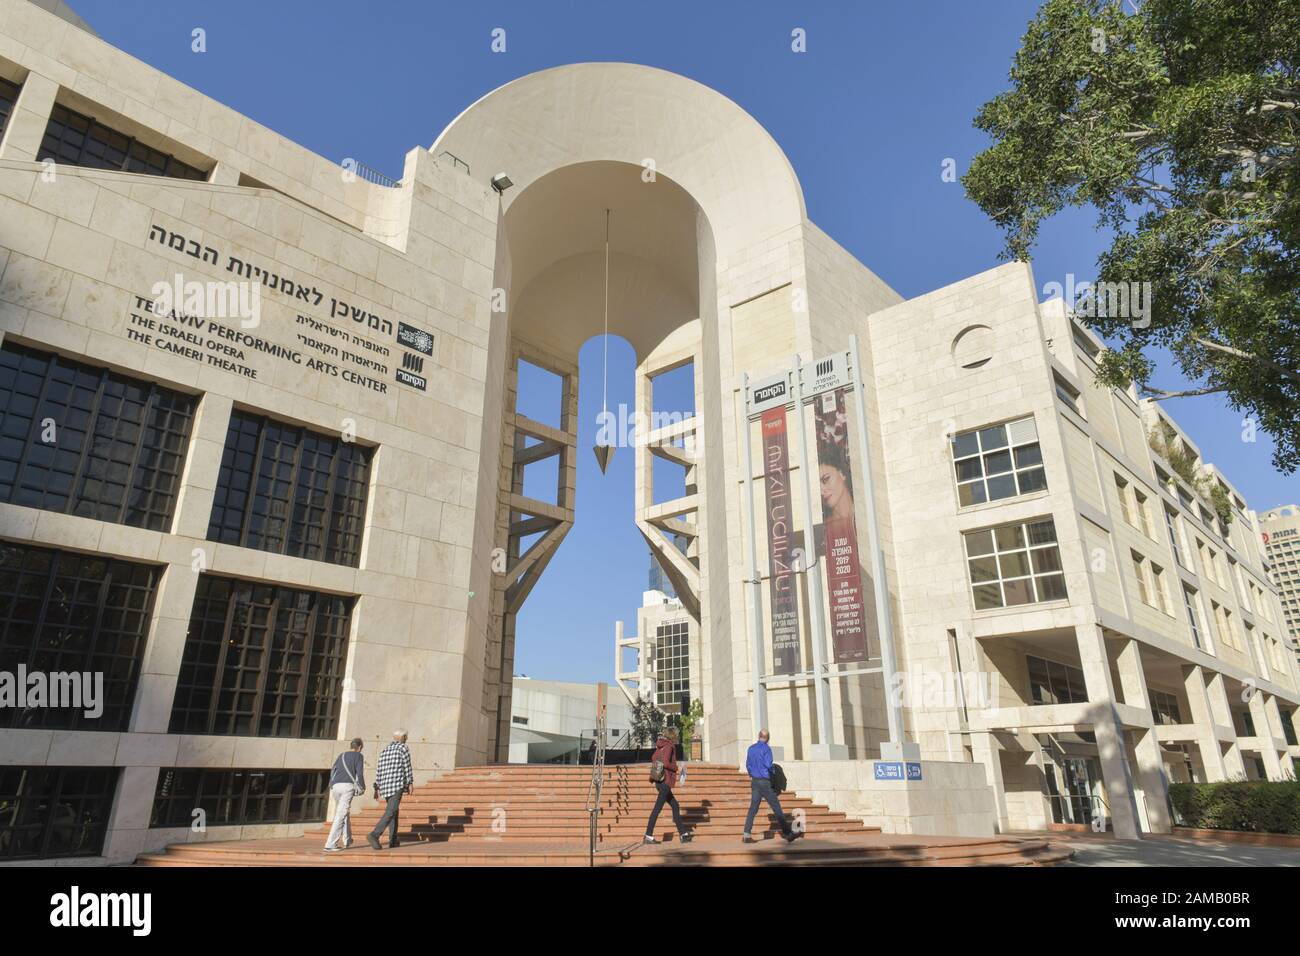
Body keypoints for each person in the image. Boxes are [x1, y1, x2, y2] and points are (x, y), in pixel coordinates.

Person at [743, 729, 799, 843]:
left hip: (755, 781)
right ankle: (788, 834)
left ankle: (746, 834)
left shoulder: (751, 748)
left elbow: (748, 765)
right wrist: (773, 775)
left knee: (753, 808)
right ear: (768, 738)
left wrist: (752, 774)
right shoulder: (767, 749)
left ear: (759, 736)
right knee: (776, 808)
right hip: (765, 782)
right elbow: (769, 765)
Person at [643, 727, 693, 844]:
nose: (677, 737)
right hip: (665, 782)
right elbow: (665, 762)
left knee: (675, 805)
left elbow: (654, 758)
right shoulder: (669, 746)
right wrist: (677, 768)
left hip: (659, 781)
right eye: (677, 735)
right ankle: (648, 835)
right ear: (673, 736)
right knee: (657, 809)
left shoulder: (660, 745)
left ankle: (683, 834)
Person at [367, 729, 414, 851]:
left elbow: (379, 770)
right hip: (396, 784)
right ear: (403, 737)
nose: (407, 738)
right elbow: (407, 766)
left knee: (394, 811)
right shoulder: (403, 748)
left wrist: (377, 787)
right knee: (391, 811)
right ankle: (374, 834)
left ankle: (393, 840)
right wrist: (410, 783)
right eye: (406, 736)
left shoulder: (385, 750)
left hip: (385, 786)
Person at [323, 737, 365, 852]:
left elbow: (333, 770)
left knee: (343, 812)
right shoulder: (359, 756)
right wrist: (362, 787)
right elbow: (359, 773)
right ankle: (330, 844)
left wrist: (331, 784)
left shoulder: (341, 755)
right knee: (340, 814)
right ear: (360, 747)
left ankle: (347, 839)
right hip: (347, 787)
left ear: (351, 746)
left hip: (335, 786)